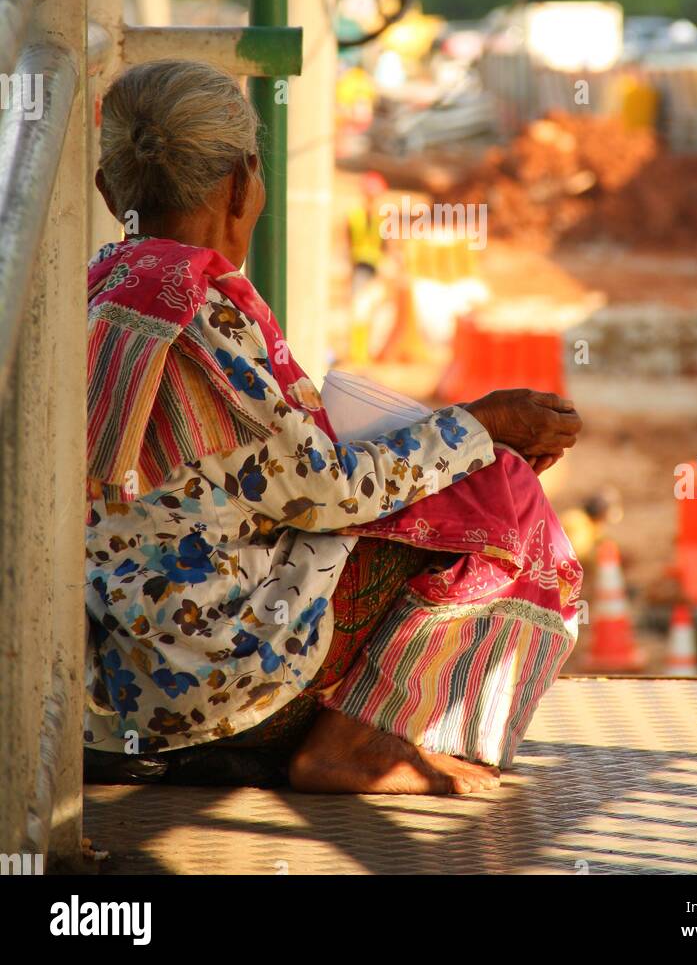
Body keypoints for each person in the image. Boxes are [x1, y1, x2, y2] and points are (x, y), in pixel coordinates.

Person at [84, 59, 584, 795]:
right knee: (497, 491)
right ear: (242, 182)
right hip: (207, 689)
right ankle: (350, 744)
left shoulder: (91, 289)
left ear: (107, 191)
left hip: (104, 686)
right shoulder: (200, 314)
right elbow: (331, 492)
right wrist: (483, 424)